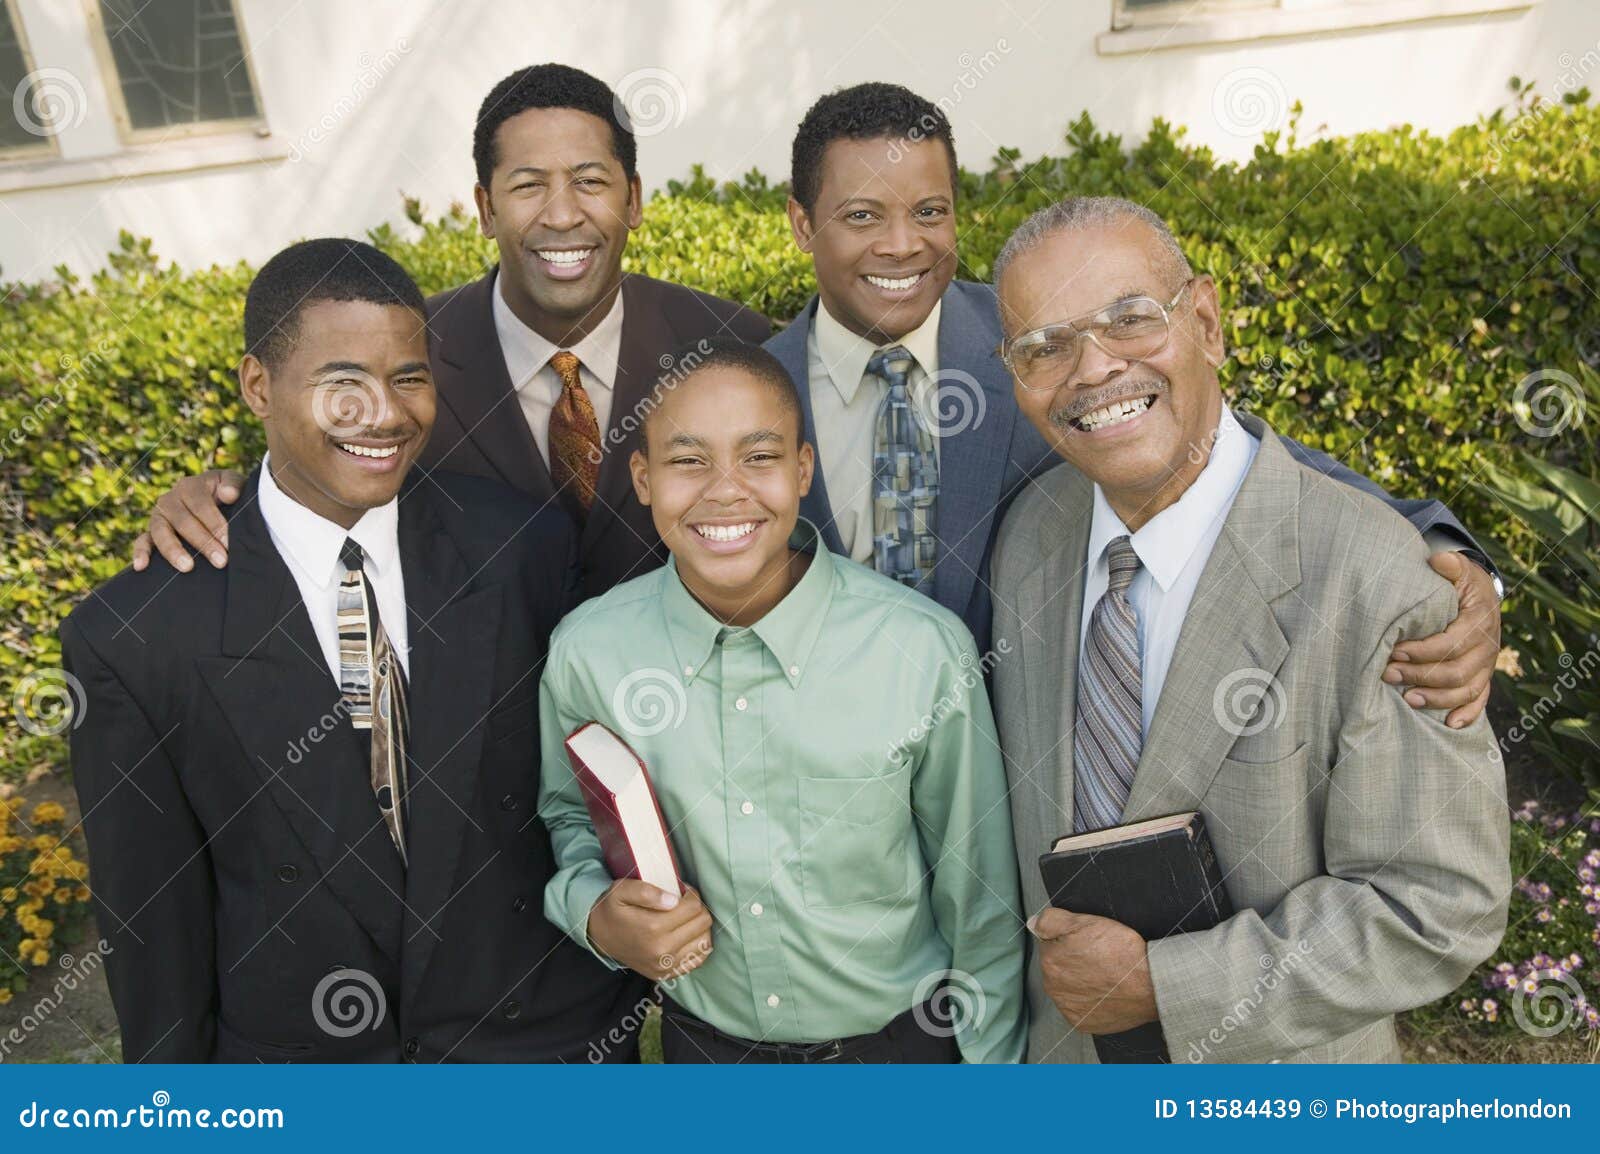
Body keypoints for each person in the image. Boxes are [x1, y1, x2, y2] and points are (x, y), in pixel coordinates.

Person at [62, 239, 641, 1062]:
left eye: (409, 377)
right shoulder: (134, 632)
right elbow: (153, 921)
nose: (386, 412)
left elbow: (584, 793)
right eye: (342, 384)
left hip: (539, 1052)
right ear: (257, 386)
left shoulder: (522, 547)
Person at [767, 82, 1502, 725]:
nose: (903, 246)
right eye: (862, 217)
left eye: (930, 211)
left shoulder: (1041, 343)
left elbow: (1232, 455)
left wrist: (1447, 562)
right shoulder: (749, 391)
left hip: (1014, 800)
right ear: (803, 224)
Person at [986, 198, 1510, 1063]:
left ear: (1205, 322)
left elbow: (1438, 901)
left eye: (1128, 319)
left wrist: (1168, 985)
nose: (1093, 367)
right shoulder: (1031, 536)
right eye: (1044, 347)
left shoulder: (1377, 578)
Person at [536, 339, 1026, 1063]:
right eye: (688, 459)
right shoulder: (589, 651)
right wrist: (594, 913)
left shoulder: (921, 651)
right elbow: (570, 812)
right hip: (705, 1058)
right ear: (642, 478)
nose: (725, 489)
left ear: (803, 470)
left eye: (759, 457)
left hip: (900, 1058)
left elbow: (980, 900)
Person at [130, 63, 770, 600]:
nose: (563, 213)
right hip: (472, 731)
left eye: (590, 181)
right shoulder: (403, 353)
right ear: (486, 209)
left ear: (633, 200)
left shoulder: (732, 342)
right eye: (527, 186)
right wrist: (212, 503)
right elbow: (311, 477)